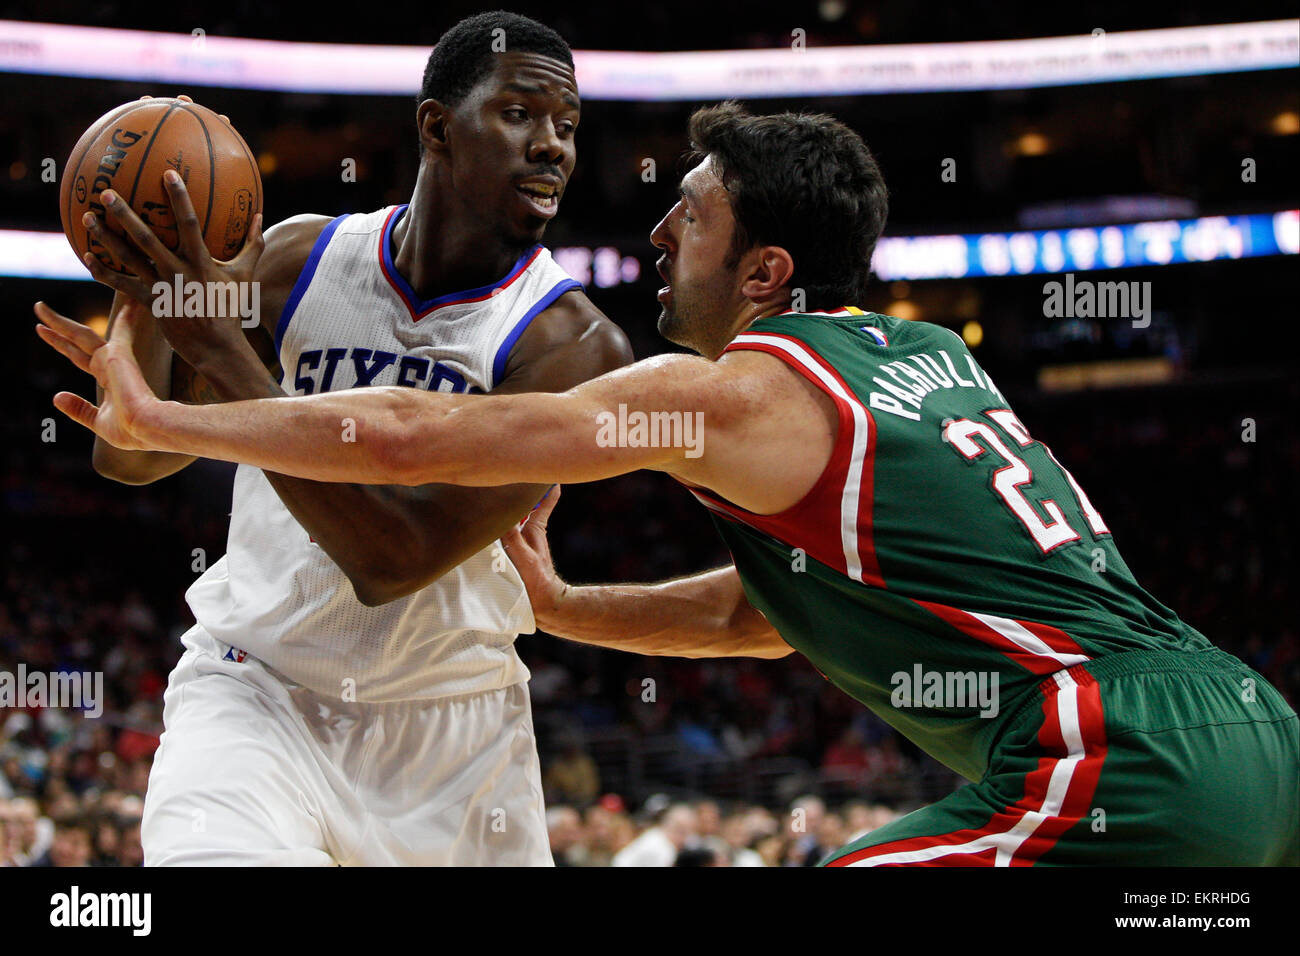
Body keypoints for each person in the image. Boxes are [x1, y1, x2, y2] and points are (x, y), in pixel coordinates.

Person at [40, 102, 1299, 866]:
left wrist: (176, 413)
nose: (653, 234)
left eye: (687, 219)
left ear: (764, 271)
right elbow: (761, 611)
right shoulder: (924, 354)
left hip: (1117, 754)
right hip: (1251, 731)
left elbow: (414, 438)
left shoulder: (738, 392)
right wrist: (569, 605)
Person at [35, 10, 630, 865]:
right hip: (257, 692)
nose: (553, 147)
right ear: (436, 126)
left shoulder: (570, 347)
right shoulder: (296, 259)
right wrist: (157, 289)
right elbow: (134, 456)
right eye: (520, 115)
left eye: (567, 128)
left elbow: (393, 558)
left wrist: (225, 358)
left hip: (453, 745)